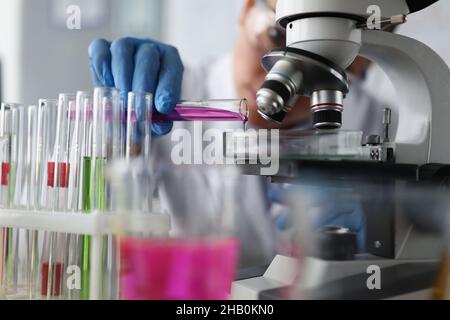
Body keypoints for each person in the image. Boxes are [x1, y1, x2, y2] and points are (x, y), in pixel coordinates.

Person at [88, 0, 395, 267]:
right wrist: (112, 135)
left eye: (322, 68)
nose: (271, 82)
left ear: (359, 65)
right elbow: (90, 226)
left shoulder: (383, 123)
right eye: (275, 35)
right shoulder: (167, 98)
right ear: (248, 8)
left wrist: (388, 228)